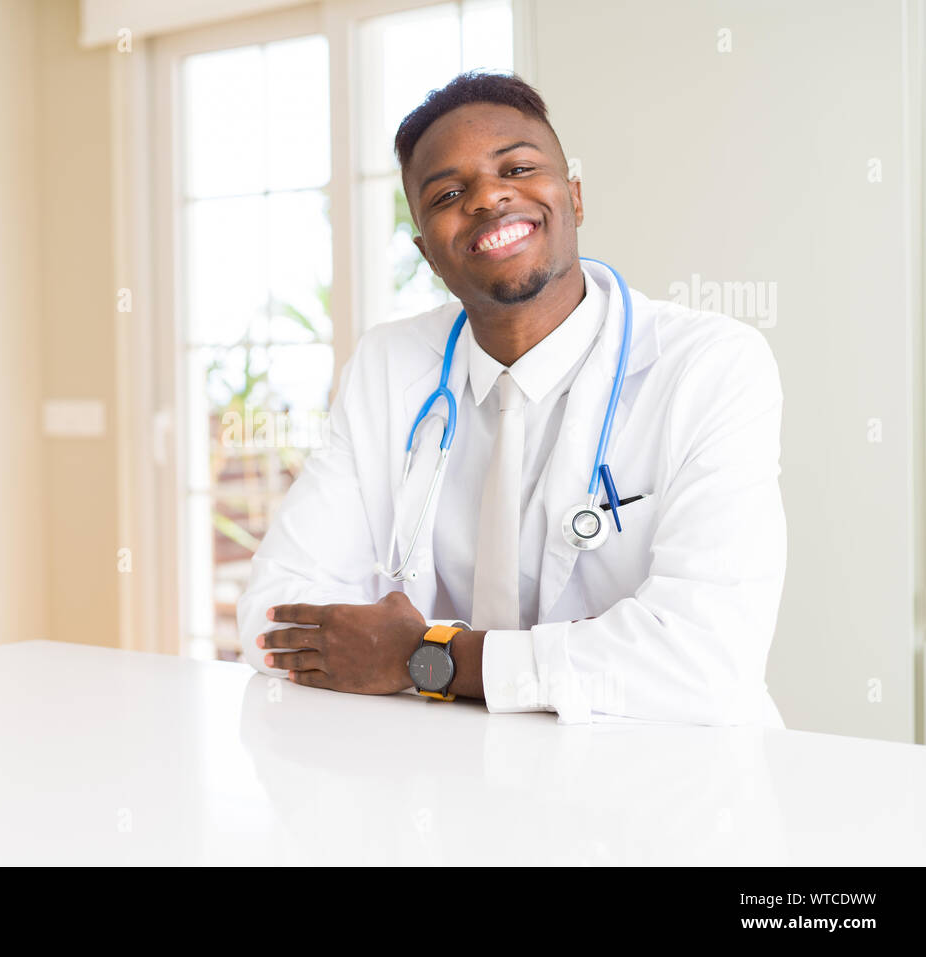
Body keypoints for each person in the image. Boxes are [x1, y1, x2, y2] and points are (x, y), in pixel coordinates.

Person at [235, 72, 786, 726]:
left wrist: (427, 657)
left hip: (669, 792)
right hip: (453, 786)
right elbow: (273, 618)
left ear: (574, 198)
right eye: (448, 192)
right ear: (426, 250)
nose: (490, 197)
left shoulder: (710, 364)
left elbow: (704, 658)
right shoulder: (388, 367)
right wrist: (583, 659)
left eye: (518, 167)